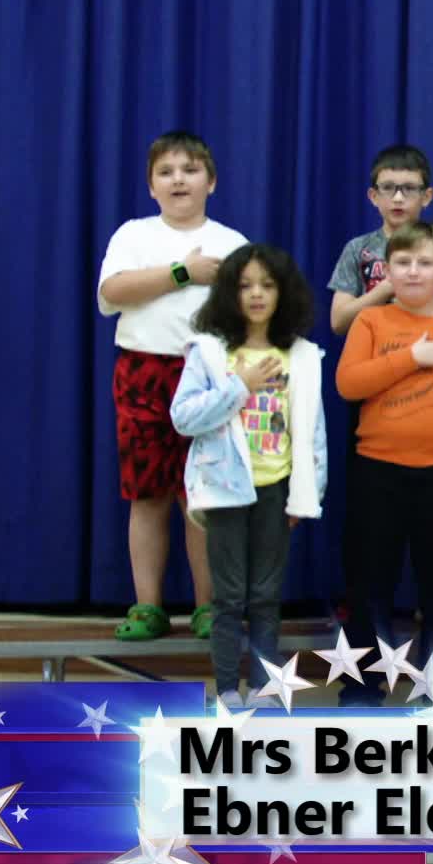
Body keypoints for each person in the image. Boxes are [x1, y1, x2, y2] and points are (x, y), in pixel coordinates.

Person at [334, 222, 433, 705]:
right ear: (386, 270)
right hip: (377, 474)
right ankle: (364, 690)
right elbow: (349, 384)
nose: (413, 271)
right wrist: (412, 356)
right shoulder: (371, 323)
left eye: (425, 263)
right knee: (368, 589)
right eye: (402, 263)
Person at [96, 131, 250, 642]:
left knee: (201, 494)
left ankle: (209, 607)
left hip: (208, 375)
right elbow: (113, 292)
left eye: (189, 170)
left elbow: (255, 313)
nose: (178, 179)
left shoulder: (233, 243)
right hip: (143, 372)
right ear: (150, 185)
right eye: (166, 171)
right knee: (148, 495)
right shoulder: (134, 235)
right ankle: (148, 606)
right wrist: (184, 272)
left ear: (212, 181)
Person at [170, 245, 327, 706]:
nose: (256, 295)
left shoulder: (300, 354)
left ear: (283, 292)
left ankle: (262, 686)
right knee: (229, 596)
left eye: (267, 284)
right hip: (224, 489)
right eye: (245, 285)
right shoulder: (210, 352)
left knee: (265, 595)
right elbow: (184, 417)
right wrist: (240, 385)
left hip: (277, 488)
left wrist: (307, 495)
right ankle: (225, 690)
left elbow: (312, 432)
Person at [327, 144, 433, 335]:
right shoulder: (357, 249)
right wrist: (385, 289)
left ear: (427, 197)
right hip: (373, 354)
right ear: (373, 196)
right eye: (388, 188)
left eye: (409, 188)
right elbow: (339, 322)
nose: (398, 198)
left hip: (431, 351)